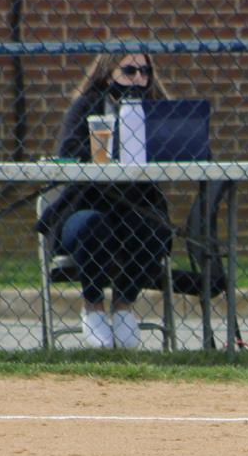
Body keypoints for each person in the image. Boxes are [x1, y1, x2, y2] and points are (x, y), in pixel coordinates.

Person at [37, 51, 176, 349]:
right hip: (86, 206)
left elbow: (178, 151)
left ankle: (124, 305)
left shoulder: (155, 111)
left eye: (144, 72)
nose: (138, 78)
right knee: (92, 226)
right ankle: (93, 306)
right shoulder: (87, 106)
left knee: (156, 229)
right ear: (108, 72)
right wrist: (110, 148)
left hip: (134, 207)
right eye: (129, 71)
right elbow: (68, 151)